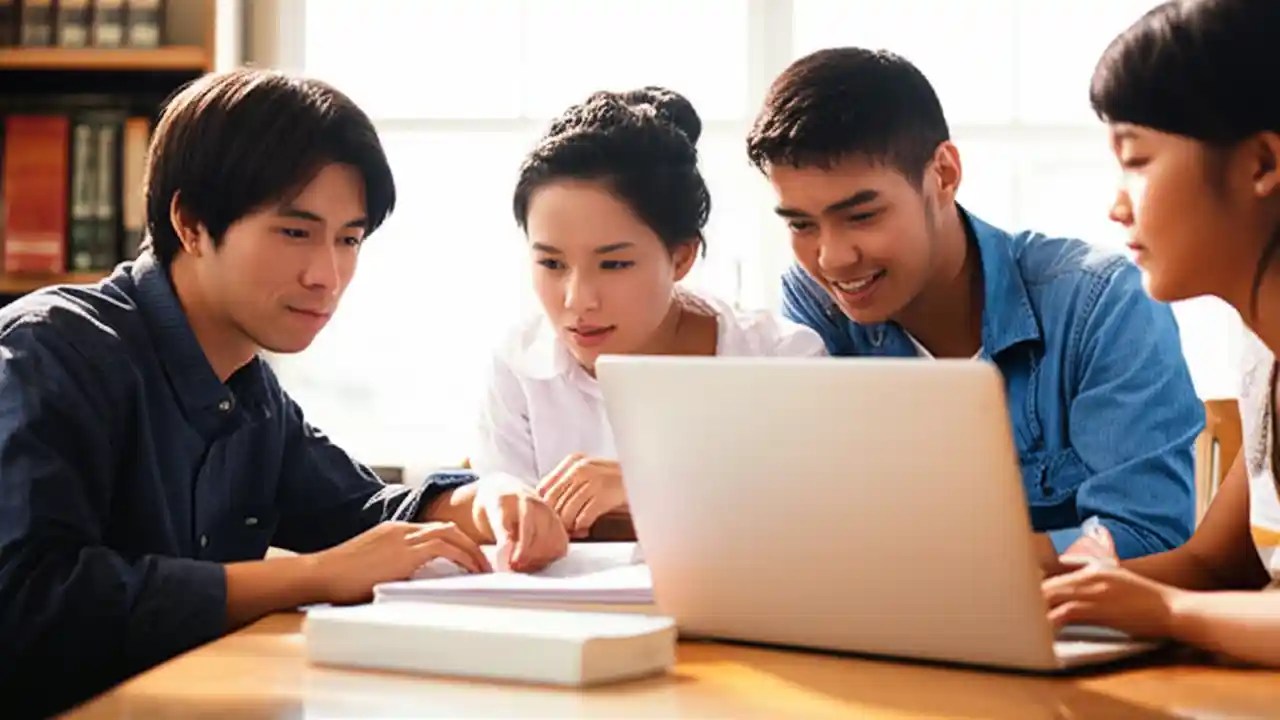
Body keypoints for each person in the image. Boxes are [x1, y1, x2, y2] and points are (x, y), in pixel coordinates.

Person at [0, 68, 566, 717]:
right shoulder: (50, 352)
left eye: (348, 239)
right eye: (296, 232)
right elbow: (31, 602)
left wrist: (482, 497)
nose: (327, 275)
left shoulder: (249, 390)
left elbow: (362, 512)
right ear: (190, 222)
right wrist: (312, 575)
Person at [745, 47, 1205, 569]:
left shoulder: (1100, 302)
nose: (831, 257)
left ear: (943, 173)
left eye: (862, 216)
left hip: (1069, 632)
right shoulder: (815, 301)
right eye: (801, 225)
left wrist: (943, 566)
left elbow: (1146, 534)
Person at [471, 87, 826, 538]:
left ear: (681, 258)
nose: (578, 300)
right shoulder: (519, 366)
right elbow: (510, 528)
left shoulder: (779, 359)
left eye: (614, 264)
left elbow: (813, 519)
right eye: (551, 263)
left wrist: (648, 484)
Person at [1043, 0, 1280, 667]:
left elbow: (1192, 597)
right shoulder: (1265, 357)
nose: (1117, 205)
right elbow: (1212, 565)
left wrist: (1166, 611)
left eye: (1138, 160)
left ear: (1261, 163)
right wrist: (1050, 593)